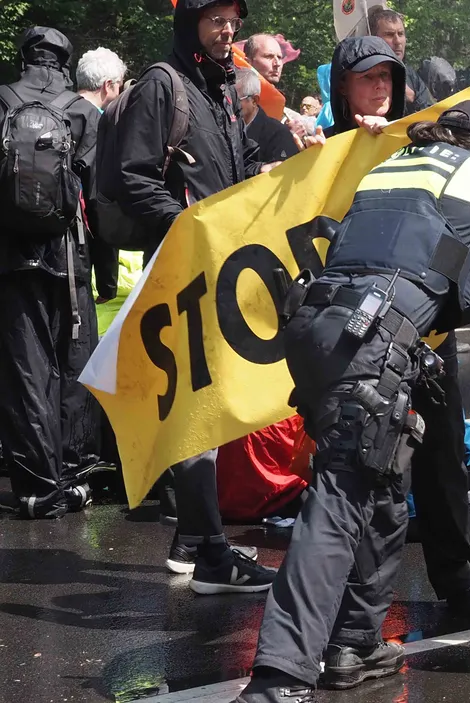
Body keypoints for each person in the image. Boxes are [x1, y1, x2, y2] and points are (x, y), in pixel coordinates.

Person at [234, 100, 470, 702]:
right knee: (338, 501)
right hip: (376, 341)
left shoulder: (391, 167)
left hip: (324, 329)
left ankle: (356, 640)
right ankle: (279, 675)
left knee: (385, 486)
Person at [100, 0, 278, 593]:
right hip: (182, 265)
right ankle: (209, 552)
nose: (226, 31)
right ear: (190, 23)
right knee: (198, 405)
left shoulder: (222, 83)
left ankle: (194, 537)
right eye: (214, 19)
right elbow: (132, 174)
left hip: (220, 264)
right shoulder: (163, 83)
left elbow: (235, 163)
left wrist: (281, 169)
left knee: (209, 402)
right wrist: (186, 228)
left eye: (233, 20)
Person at [324, 33, 470, 620]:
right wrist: (334, 146)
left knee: (443, 451)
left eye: (388, 79)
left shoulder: (425, 144)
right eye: (366, 78)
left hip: (425, 326)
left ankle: (459, 578)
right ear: (341, 85)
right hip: (351, 329)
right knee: (365, 466)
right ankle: (351, 614)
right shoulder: (319, 156)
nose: (379, 89)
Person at [0, 27, 102, 519]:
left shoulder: (1, 100)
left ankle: (36, 487)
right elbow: (99, 197)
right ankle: (74, 475)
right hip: (67, 256)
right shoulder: (81, 110)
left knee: (25, 366)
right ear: (66, 61)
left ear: (24, 58)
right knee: (72, 362)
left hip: (11, 257)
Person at [75, 47, 126, 307]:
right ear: (108, 86)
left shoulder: (56, 110)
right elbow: (97, 201)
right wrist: (107, 282)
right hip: (77, 253)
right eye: (118, 87)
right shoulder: (97, 123)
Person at [366, 5, 434, 113]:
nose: (397, 41)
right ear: (373, 39)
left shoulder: (409, 74)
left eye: (401, 34)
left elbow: (429, 113)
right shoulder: (361, 76)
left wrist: (411, 98)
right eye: (389, 34)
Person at [237, 70, 299, 164]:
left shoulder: (278, 134)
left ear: (254, 100)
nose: (227, 104)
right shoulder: (222, 128)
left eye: (235, 99)